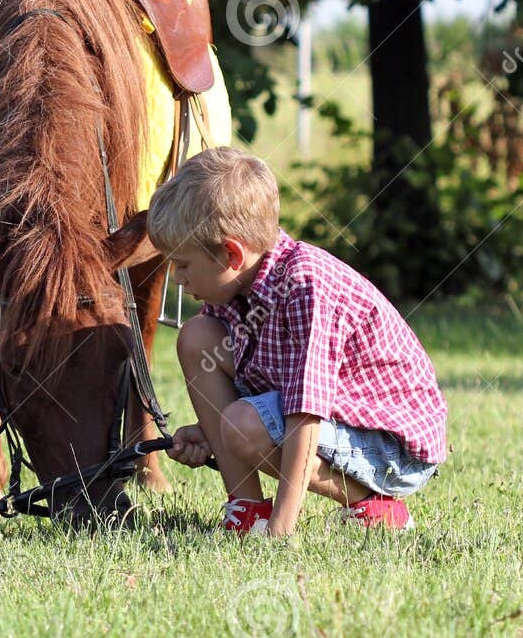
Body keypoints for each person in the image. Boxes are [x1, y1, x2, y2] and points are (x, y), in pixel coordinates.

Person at [150, 148, 447, 535]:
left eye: (183, 264)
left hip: (392, 446)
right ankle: (246, 510)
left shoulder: (305, 287)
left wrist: (282, 529)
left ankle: (370, 503)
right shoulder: (234, 291)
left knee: (244, 424)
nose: (177, 277)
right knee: (196, 337)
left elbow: (304, 414)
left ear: (231, 254)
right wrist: (212, 434)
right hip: (334, 425)